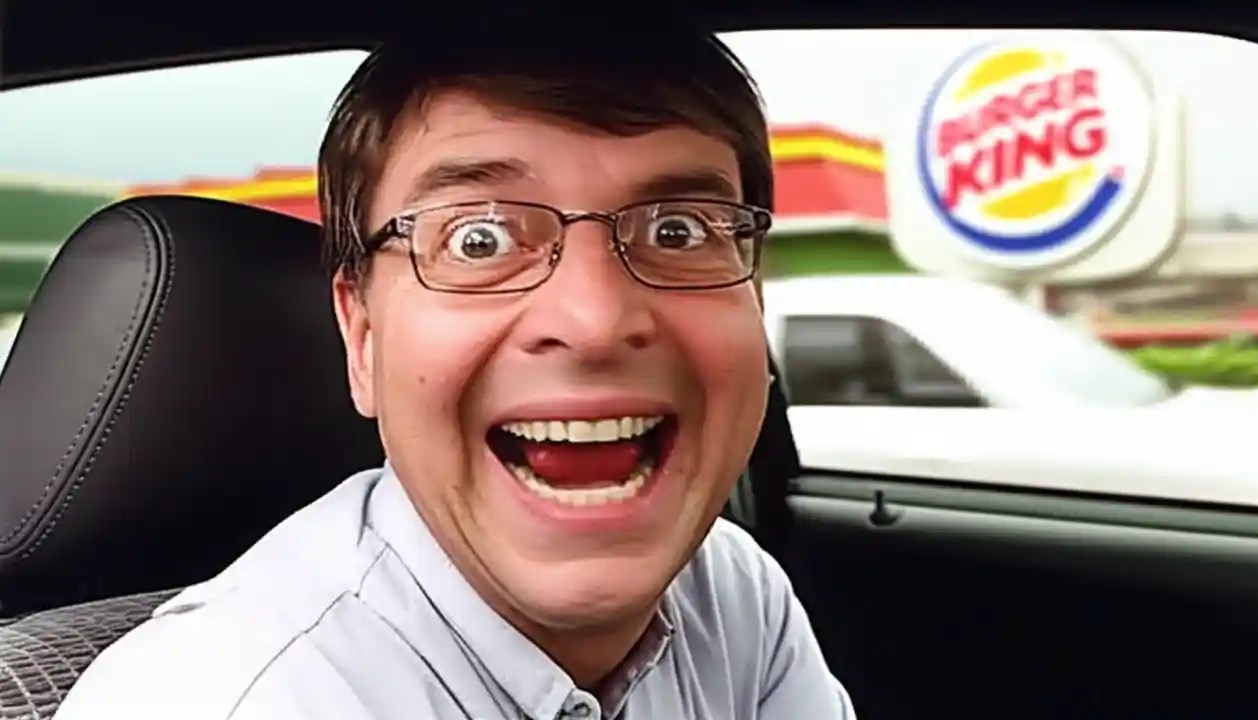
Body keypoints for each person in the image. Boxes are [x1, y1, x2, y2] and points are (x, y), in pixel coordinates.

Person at [55, 16, 856, 720]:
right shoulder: (223, 701)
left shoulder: (734, 591)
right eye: (478, 240)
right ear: (362, 337)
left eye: (679, 231)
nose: (595, 322)